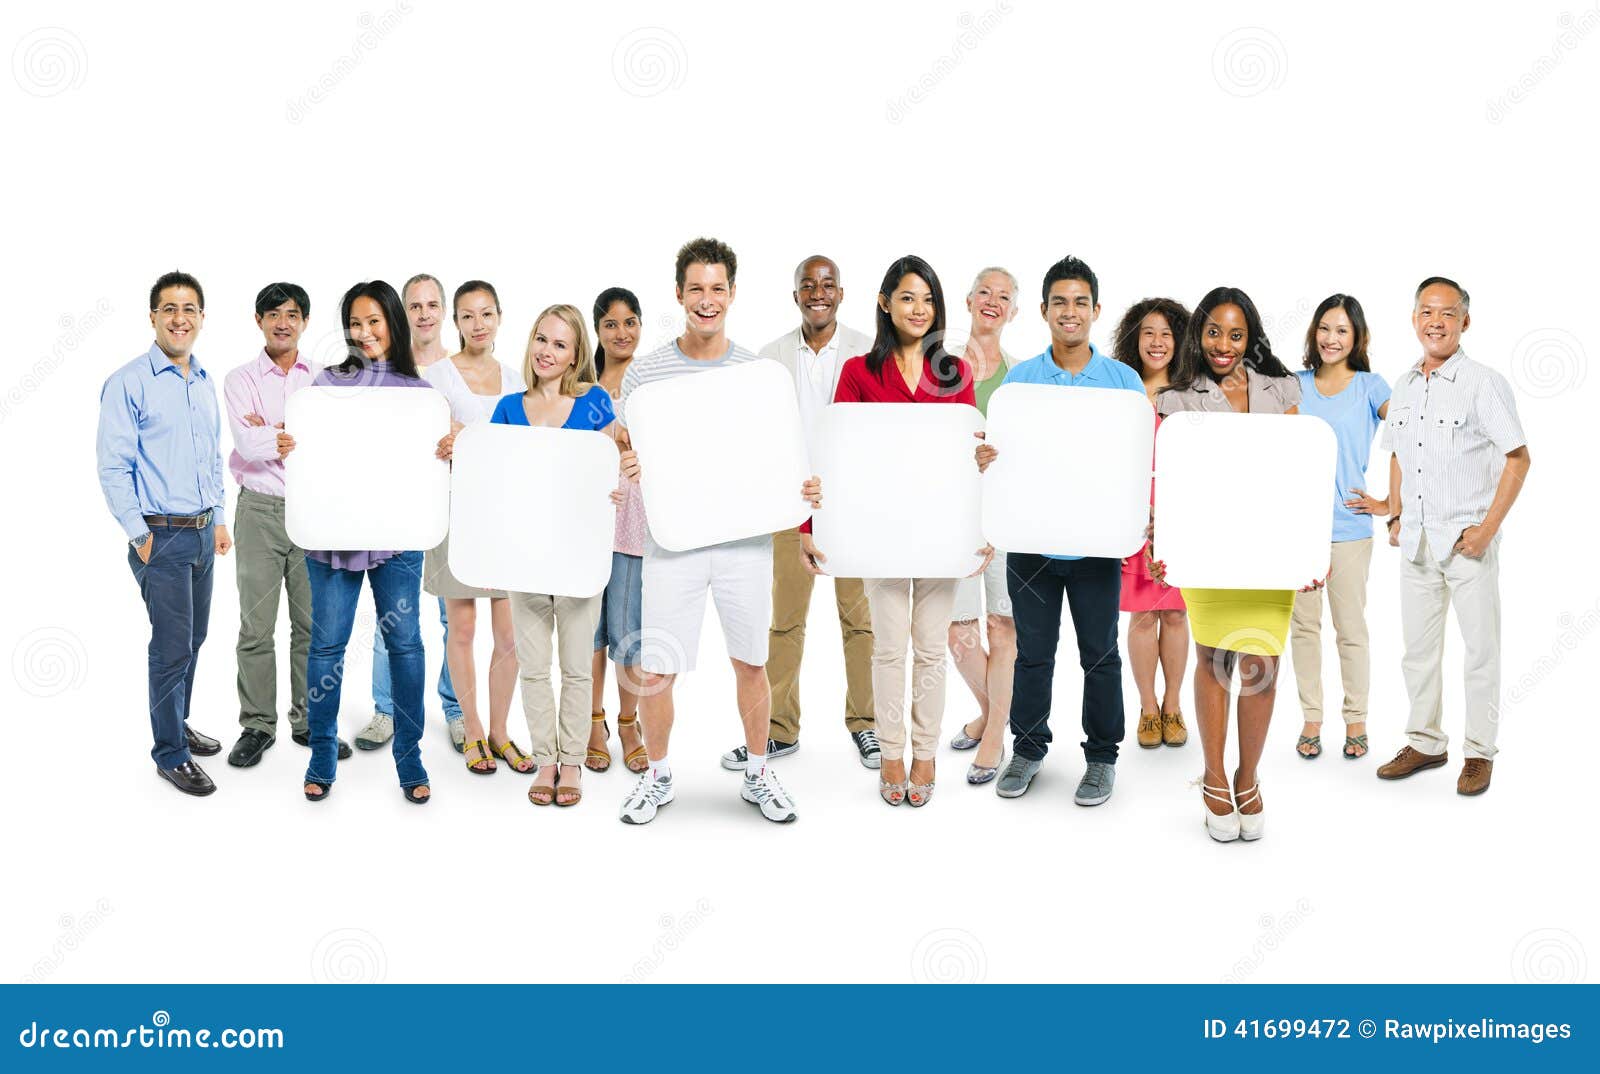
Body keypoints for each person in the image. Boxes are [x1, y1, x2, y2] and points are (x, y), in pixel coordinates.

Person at [614, 236, 804, 825]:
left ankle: (756, 772)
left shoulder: (756, 373)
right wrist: (628, 459)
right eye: (695, 288)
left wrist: (803, 489)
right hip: (672, 543)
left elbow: (775, 456)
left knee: (751, 662)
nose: (706, 299)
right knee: (658, 667)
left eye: (717, 288)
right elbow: (634, 450)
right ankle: (659, 776)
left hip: (743, 543)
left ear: (732, 294)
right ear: (679, 293)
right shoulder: (644, 375)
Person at [800, 255, 989, 808]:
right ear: (884, 302)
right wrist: (811, 525)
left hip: (938, 530)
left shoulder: (954, 372)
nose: (919, 309)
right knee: (887, 648)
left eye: (928, 299)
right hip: (878, 529)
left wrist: (983, 524)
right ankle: (890, 753)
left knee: (930, 647)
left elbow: (968, 454)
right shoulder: (859, 371)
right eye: (907, 297)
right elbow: (834, 455)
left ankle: (925, 754)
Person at [974, 256, 1145, 808]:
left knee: (1100, 655)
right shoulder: (1020, 383)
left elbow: (1134, 461)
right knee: (1033, 655)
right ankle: (1027, 749)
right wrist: (985, 458)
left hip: (1096, 544)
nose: (1069, 312)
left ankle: (1101, 758)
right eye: (1059, 302)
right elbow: (1006, 460)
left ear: (1096, 310)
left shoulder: (1123, 382)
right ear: (1044, 311)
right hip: (1032, 545)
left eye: (1080, 302)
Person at [1152, 286, 1309, 842]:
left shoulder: (1282, 390)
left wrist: (1310, 549)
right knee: (1216, 658)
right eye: (1213, 332)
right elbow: (1168, 481)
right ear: (1199, 334)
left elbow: (1301, 476)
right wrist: (1161, 542)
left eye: (1236, 334)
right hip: (1208, 548)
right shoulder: (1177, 398)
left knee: (1261, 668)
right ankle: (1214, 776)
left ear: (1251, 338)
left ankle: (1249, 777)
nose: (1223, 344)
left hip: (1271, 549)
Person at [1375, 277, 1529, 797]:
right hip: (1416, 543)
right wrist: (1394, 516)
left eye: (1446, 313)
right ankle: (1425, 742)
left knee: (1480, 651)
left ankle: (1479, 753)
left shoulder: (1484, 382)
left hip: (1467, 545)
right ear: (1414, 318)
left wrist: (1487, 531)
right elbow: (1396, 450)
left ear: (1465, 321)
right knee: (1417, 652)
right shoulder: (1404, 383)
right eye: (1425, 311)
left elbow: (1518, 458)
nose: (1434, 321)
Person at [301, 280, 448, 804]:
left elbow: (426, 473)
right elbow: (313, 460)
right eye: (355, 324)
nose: (364, 333)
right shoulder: (324, 385)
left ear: (393, 322)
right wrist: (291, 442)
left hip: (397, 538)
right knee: (327, 647)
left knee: (406, 644)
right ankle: (321, 754)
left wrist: (445, 451)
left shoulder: (421, 395)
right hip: (334, 538)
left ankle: (410, 758)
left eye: (374, 322)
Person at [98, 270, 231, 796]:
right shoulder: (129, 381)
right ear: (152, 316)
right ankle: (169, 753)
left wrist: (217, 518)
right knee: (172, 647)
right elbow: (114, 468)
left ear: (201, 318)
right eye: (169, 309)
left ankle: (177, 723)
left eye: (190, 309)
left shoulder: (202, 380)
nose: (181, 318)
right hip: (161, 536)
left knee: (194, 641)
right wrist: (141, 535)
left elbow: (211, 457)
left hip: (201, 534)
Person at [746, 254, 879, 774]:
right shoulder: (769, 356)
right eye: (808, 285)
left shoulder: (868, 352)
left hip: (850, 507)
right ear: (796, 295)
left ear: (841, 295)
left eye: (828, 285)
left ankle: (866, 725)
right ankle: (779, 729)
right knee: (784, 623)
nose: (818, 292)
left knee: (860, 622)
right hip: (789, 505)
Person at [487, 305, 618, 806]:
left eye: (560, 345)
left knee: (577, 667)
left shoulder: (595, 404)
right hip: (526, 554)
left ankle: (573, 764)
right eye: (542, 339)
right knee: (536, 667)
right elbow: (495, 483)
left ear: (575, 355)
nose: (547, 351)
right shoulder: (506, 408)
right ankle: (546, 761)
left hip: (579, 555)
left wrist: (619, 488)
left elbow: (608, 475)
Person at [223, 282, 351, 766]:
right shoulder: (239, 379)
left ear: (304, 322)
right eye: (273, 313)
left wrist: (270, 430)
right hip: (258, 511)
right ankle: (257, 725)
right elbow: (247, 443)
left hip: (312, 513)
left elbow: (331, 444)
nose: (283, 322)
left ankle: (309, 723)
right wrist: (278, 435)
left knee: (311, 628)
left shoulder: (323, 379)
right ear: (258, 320)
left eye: (292, 314)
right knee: (256, 628)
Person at [356, 273, 466, 754]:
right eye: (414, 305)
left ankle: (456, 711)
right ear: (402, 314)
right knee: (393, 617)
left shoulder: (458, 369)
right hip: (396, 510)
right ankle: (386, 709)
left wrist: (459, 437)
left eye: (432, 304)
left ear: (443, 311)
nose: (423, 313)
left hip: (449, 508)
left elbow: (480, 433)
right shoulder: (386, 368)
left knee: (453, 617)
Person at [426, 281, 531, 776]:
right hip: (456, 513)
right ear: (456, 323)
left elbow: (523, 450)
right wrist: (464, 441)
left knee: (509, 635)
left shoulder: (517, 379)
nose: (478, 324)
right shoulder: (438, 377)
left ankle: (500, 732)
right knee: (462, 628)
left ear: (499, 317)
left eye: (486, 314)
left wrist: (469, 438)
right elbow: (432, 445)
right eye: (467, 316)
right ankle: (471, 732)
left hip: (505, 517)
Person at [1289, 295, 1391, 761]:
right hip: (1298, 529)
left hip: (1350, 528)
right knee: (1304, 628)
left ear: (1357, 338)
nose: (1332, 338)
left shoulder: (1371, 386)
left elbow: (1413, 434)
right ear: (1314, 332)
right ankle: (1312, 717)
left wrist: (1390, 503)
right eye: (1325, 328)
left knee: (1350, 629)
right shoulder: (1293, 384)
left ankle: (1357, 720)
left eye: (1342, 331)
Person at [946, 267, 1020, 785]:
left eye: (1004, 297)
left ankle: (992, 734)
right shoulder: (941, 368)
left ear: (1014, 311)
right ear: (969, 301)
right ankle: (998, 714)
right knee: (959, 632)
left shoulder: (1018, 378)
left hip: (1005, 515)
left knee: (1002, 624)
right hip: (950, 513)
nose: (993, 302)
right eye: (985, 293)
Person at [1110, 297, 1192, 750]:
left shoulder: (1193, 392)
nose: (1157, 342)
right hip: (1134, 517)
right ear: (1134, 339)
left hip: (1180, 516)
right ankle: (1146, 707)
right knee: (1142, 614)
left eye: (1167, 333)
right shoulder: (1120, 391)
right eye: (1148, 333)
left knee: (1177, 612)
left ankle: (1174, 704)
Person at [586, 287, 650, 776]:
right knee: (588, 631)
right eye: (611, 324)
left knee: (627, 631)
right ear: (598, 331)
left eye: (629, 322)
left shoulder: (652, 382)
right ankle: (593, 722)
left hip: (635, 520)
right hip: (585, 520)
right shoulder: (580, 384)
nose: (621, 333)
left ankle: (629, 721)